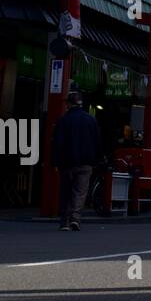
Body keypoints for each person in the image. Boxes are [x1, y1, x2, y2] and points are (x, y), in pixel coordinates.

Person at [52, 90, 100, 231]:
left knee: (66, 190)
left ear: (68, 104)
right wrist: (97, 159)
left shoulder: (63, 120)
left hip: (66, 161)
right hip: (86, 162)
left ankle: (64, 221)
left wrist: (55, 161)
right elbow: (97, 142)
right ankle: (75, 217)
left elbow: (57, 143)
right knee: (80, 191)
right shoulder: (91, 120)